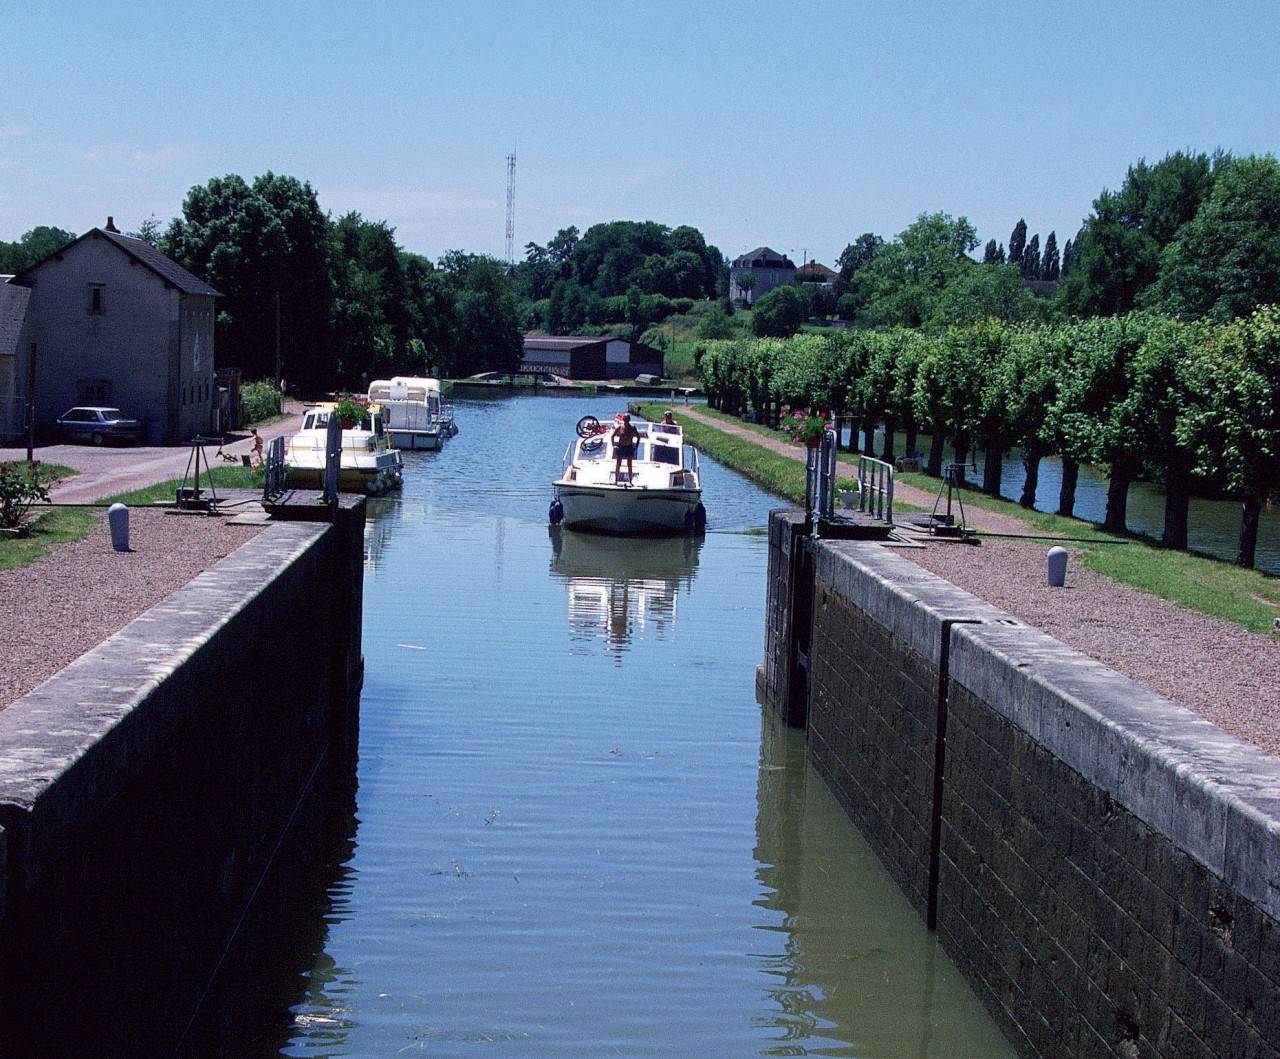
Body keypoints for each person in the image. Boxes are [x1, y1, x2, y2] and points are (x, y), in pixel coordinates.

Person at [612, 413, 640, 484]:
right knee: (618, 464)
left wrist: (636, 446)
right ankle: (616, 480)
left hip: (629, 446)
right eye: (624, 418)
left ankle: (630, 481)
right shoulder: (620, 427)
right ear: (623, 419)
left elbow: (638, 437)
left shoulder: (633, 427)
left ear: (629, 419)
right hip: (621, 446)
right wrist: (613, 445)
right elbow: (612, 436)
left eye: (627, 418)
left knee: (629, 464)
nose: (626, 420)